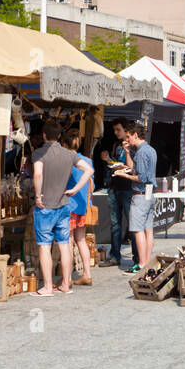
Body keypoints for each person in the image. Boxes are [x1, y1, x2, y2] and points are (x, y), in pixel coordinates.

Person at [31, 120, 93, 296]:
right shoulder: (69, 155)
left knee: (44, 246)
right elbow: (88, 171)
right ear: (59, 136)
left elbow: (37, 173)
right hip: (64, 204)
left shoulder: (39, 153)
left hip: (45, 205)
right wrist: (75, 188)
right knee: (64, 245)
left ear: (44, 135)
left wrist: (37, 195)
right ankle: (66, 284)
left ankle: (48, 287)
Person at [117, 121, 156, 274]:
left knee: (138, 230)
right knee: (148, 230)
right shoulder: (150, 150)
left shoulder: (141, 152)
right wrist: (127, 153)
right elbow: (136, 169)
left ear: (135, 134)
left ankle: (141, 263)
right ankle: (146, 262)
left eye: (128, 137)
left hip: (140, 194)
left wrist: (124, 175)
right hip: (150, 193)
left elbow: (140, 176)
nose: (127, 140)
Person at [99, 121, 137, 268]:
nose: (116, 132)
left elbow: (130, 168)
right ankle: (115, 255)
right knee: (115, 225)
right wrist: (108, 160)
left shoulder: (133, 147)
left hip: (128, 189)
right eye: (114, 130)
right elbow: (115, 166)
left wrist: (117, 164)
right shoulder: (116, 145)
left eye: (118, 129)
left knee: (132, 225)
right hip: (114, 188)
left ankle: (137, 257)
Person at [60, 132, 95, 287]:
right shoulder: (87, 160)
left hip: (69, 204)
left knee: (68, 240)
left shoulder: (66, 161)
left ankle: (67, 278)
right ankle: (87, 274)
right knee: (81, 239)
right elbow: (92, 184)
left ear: (65, 145)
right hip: (82, 206)